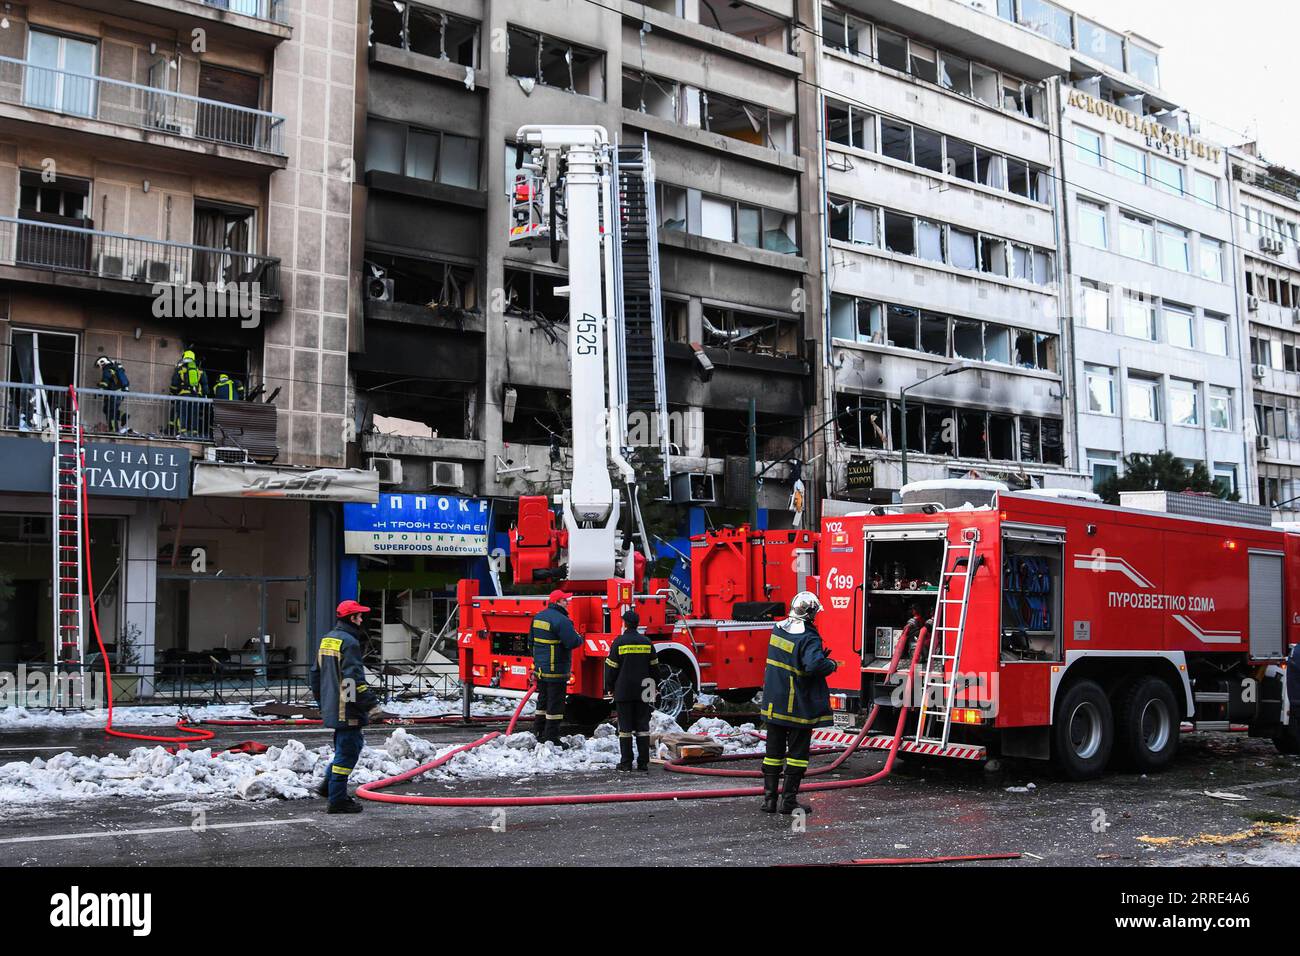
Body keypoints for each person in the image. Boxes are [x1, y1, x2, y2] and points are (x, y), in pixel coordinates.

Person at [760, 591, 838, 816]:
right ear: (811, 613)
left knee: (772, 753)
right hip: (797, 706)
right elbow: (813, 666)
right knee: (797, 755)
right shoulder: (809, 637)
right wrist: (830, 664)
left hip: (774, 702)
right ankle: (789, 801)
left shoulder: (778, 629)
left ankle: (769, 800)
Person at [309, 599, 380, 814]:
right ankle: (338, 800)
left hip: (333, 704)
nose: (362, 619)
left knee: (345, 747)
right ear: (352, 618)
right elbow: (352, 681)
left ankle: (326, 787)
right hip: (346, 708)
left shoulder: (327, 639)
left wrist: (323, 703)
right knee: (348, 751)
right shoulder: (349, 642)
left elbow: (315, 675)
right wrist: (369, 705)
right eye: (359, 616)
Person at [604, 607, 658, 772]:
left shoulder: (619, 642)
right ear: (637, 624)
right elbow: (655, 669)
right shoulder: (647, 642)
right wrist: (653, 688)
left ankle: (626, 763)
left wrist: (610, 687)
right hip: (644, 690)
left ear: (625, 624)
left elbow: (611, 667)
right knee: (643, 727)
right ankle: (643, 763)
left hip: (624, 691)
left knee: (625, 729)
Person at [529, 589, 583, 745]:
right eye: (565, 600)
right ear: (557, 602)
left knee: (543, 702)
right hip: (556, 670)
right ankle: (551, 737)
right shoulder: (562, 620)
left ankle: (539, 731)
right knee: (555, 705)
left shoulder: (538, 617)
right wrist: (579, 637)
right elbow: (572, 642)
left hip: (542, 669)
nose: (567, 602)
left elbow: (530, 641)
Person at [169, 349, 209, 437]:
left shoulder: (180, 369)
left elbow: (174, 384)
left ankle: (182, 432)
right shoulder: (200, 370)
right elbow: (205, 386)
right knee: (194, 414)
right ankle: (194, 432)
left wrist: (172, 393)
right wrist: (204, 395)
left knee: (183, 414)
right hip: (196, 396)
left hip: (183, 395)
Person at [95, 356, 130, 433]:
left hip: (114, 395)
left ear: (102, 363)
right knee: (106, 409)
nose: (100, 368)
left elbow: (105, 381)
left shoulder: (107, 369)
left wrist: (100, 390)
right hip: (119, 394)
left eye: (99, 365)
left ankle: (113, 430)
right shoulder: (114, 368)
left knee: (111, 413)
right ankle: (122, 416)